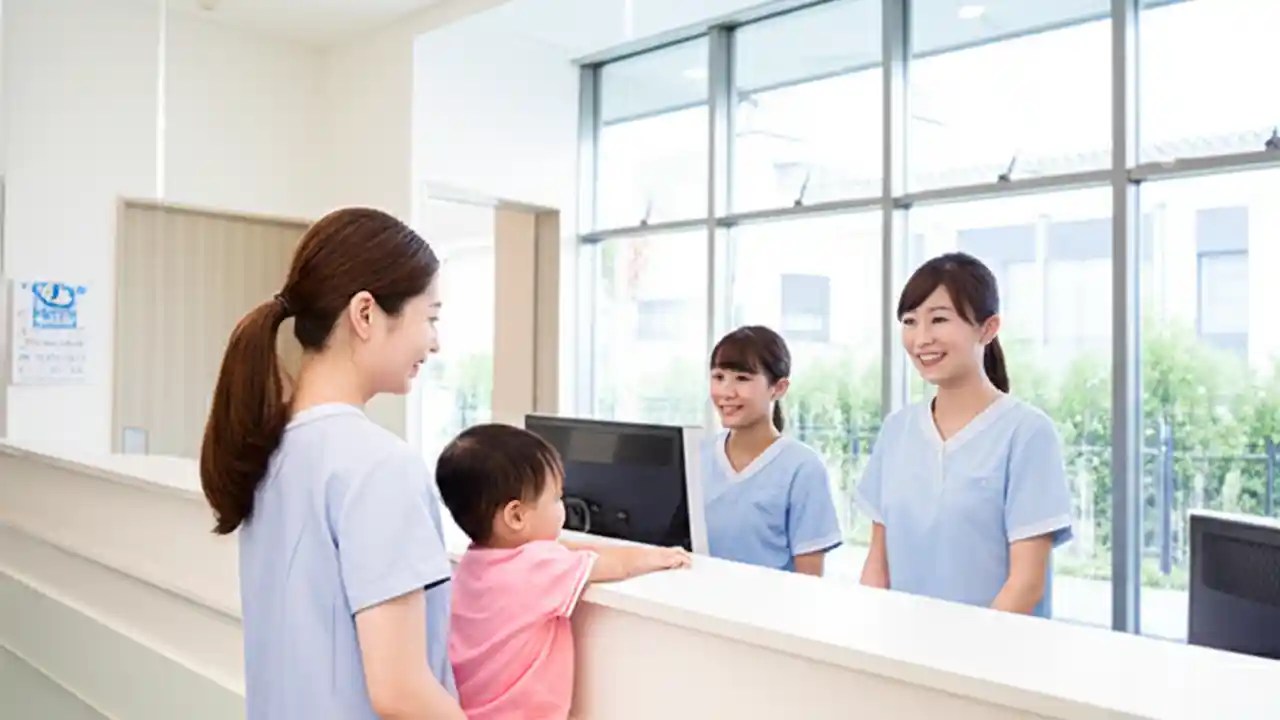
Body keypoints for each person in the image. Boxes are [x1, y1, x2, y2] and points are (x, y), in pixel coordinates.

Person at [199, 207, 465, 719]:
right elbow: (401, 690)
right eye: (429, 318)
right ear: (365, 314)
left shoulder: (271, 450)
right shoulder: (379, 466)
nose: (434, 342)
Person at [856, 252, 1074, 617]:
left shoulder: (1027, 433)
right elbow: (878, 562)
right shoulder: (897, 431)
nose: (921, 338)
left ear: (987, 328)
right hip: (901, 648)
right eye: (910, 322)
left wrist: (970, 654)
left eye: (939, 319)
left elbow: (1027, 583)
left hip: (992, 657)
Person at [436, 423, 690, 720]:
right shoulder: (539, 566)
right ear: (516, 516)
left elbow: (560, 548)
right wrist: (655, 556)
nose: (563, 506)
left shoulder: (472, 563)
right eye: (556, 497)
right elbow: (615, 565)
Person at [701, 325, 843, 575]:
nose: (726, 392)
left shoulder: (802, 468)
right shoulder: (696, 457)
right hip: (690, 607)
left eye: (742, 379)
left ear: (778, 388)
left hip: (770, 612)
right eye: (719, 377)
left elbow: (809, 580)